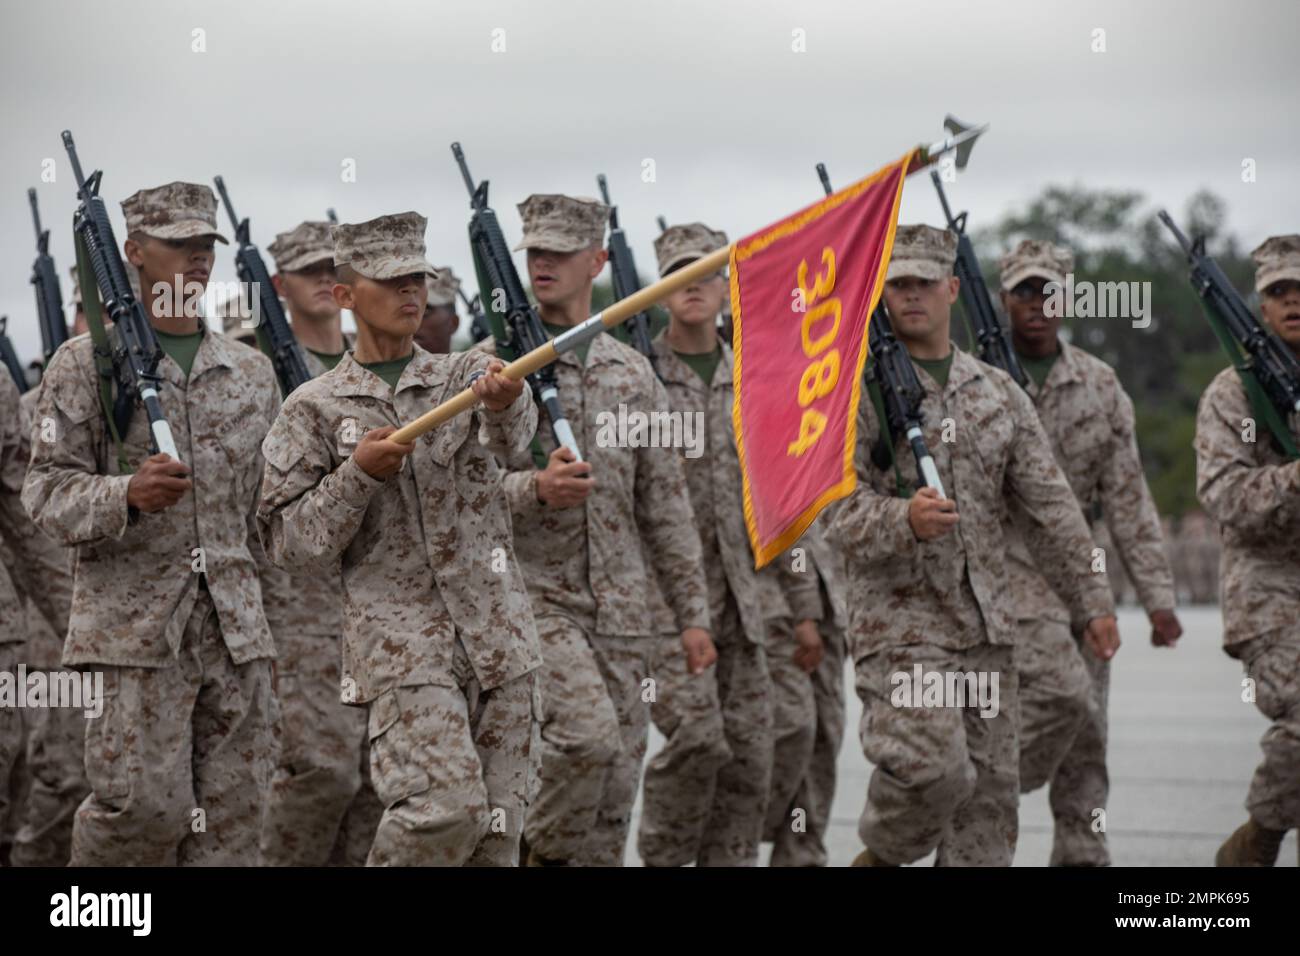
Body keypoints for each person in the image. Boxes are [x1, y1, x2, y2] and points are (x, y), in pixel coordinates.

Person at [258, 212, 542, 866]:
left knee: (495, 842)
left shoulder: (464, 378)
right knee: (444, 809)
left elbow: (515, 445)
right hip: (403, 647)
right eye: (391, 282)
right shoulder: (313, 408)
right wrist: (355, 477)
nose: (410, 294)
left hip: (502, 640)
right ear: (346, 296)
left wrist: (504, 401)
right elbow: (289, 543)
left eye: (417, 279)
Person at [832, 224, 1119, 867]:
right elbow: (832, 517)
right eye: (898, 284)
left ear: (953, 289)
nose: (911, 296)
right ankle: (879, 857)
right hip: (902, 629)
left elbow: (1053, 511)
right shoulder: (854, 394)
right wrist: (901, 517)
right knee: (937, 772)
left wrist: (1092, 599)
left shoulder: (998, 393)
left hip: (989, 628)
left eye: (924, 283)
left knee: (988, 813)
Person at [23, 181, 280, 865]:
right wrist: (124, 494)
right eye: (179, 245)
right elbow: (42, 492)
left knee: (234, 826)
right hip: (135, 637)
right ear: (133, 251)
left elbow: (268, 515)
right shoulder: (86, 366)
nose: (197, 259)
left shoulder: (251, 373)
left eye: (206, 246)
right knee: (137, 816)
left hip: (236, 635)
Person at [483, 194, 710, 866]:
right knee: (585, 742)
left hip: (623, 615)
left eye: (559, 251)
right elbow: (451, 500)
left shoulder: (630, 372)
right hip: (531, 603)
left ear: (598, 260)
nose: (544, 263)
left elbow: (664, 505)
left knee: (613, 798)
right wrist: (533, 488)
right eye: (535, 252)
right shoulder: (492, 373)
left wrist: (692, 616)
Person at [997, 238, 1182, 866]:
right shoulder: (981, 379)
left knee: (1088, 731)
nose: (1039, 305)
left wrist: (1158, 599)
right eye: (1025, 291)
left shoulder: (1099, 385)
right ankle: (982, 795)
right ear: (1003, 298)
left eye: (1050, 292)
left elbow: (1129, 499)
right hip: (1003, 573)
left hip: (1083, 578)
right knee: (1056, 699)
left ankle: (1082, 852)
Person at [1195, 234, 1300, 866]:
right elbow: (1224, 497)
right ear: (1260, 307)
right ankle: (1257, 840)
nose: (1293, 303)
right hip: (1268, 591)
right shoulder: (1232, 395)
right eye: (1278, 293)